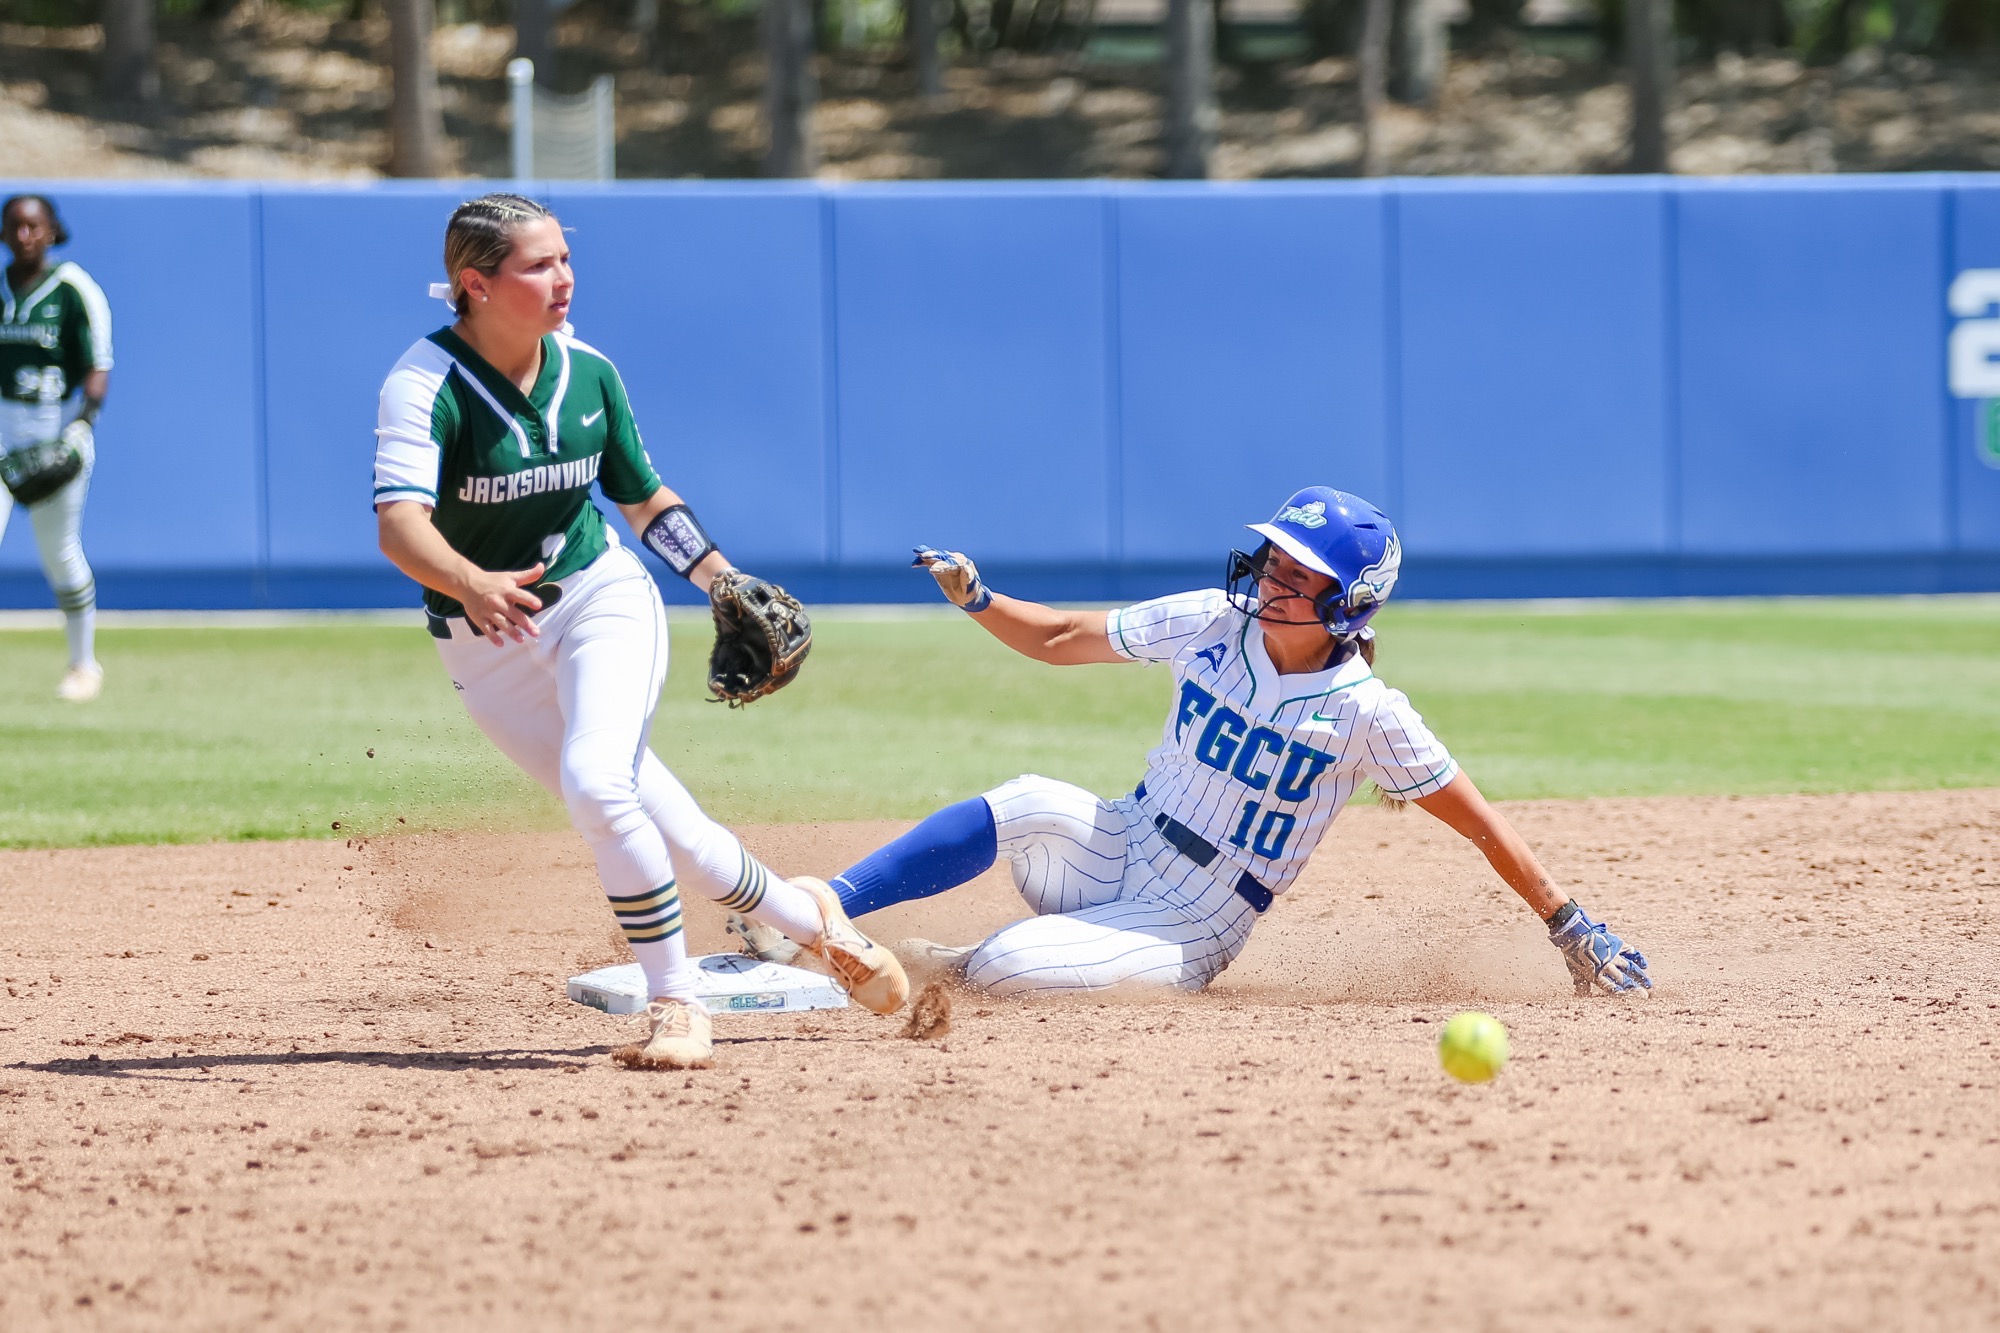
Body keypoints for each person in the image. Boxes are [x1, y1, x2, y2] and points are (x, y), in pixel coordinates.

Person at [372, 192, 907, 1069]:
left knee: (595, 781)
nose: (563, 278)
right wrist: (470, 582)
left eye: (564, 259)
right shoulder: (422, 385)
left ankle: (677, 1005)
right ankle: (817, 927)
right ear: (475, 283)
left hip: (596, 598)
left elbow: (642, 498)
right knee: (669, 826)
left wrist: (717, 576)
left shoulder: (588, 373)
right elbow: (401, 525)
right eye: (537, 264)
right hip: (484, 641)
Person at [752, 487, 1651, 999]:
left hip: (1196, 915)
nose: (1270, 577)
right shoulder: (1214, 620)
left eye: (1300, 575)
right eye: (1273, 559)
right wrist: (981, 599)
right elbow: (1064, 636)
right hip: (1120, 841)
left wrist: (1572, 929)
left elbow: (1480, 823)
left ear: (1348, 604)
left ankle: (918, 969)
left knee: (1010, 965)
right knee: (1025, 800)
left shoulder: (1370, 713)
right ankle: (820, 909)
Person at [0, 194, 110, 702]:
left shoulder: (72, 289)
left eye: (32, 226)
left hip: (54, 433)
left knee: (61, 557)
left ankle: (84, 664)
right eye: (14, 226)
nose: (24, 236)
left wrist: (83, 424)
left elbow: (98, 364)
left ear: (50, 232)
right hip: (2, 436)